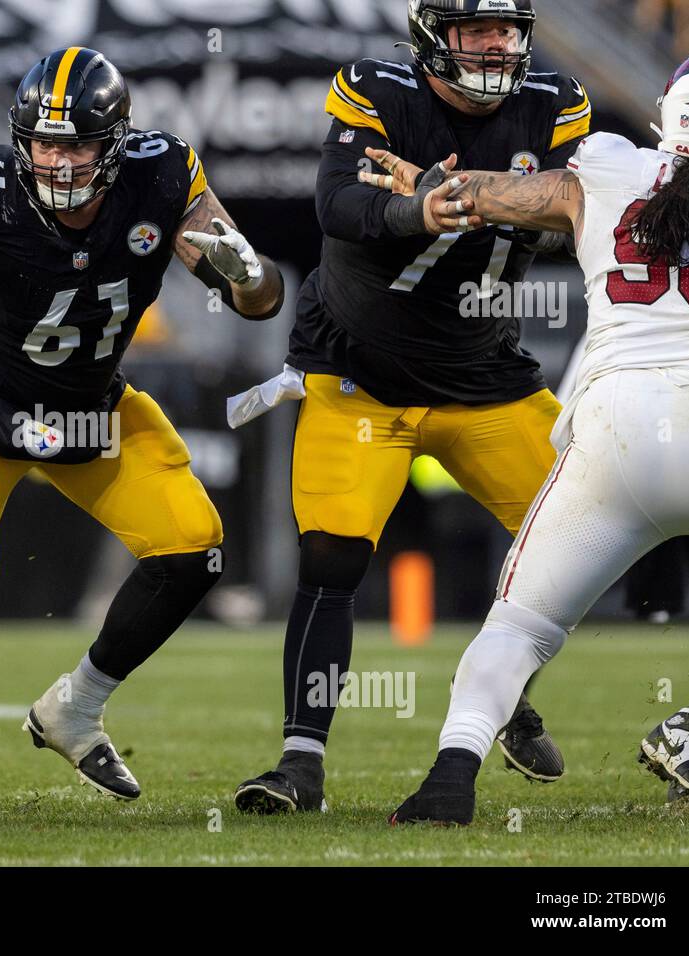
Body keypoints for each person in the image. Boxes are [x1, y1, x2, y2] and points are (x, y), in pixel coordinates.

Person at [0, 46, 285, 813]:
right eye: (45, 142)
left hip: (88, 404)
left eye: (78, 142)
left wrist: (243, 272)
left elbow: (261, 302)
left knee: (193, 548)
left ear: (115, 141)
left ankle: (74, 708)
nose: (59, 160)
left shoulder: (163, 177)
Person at [234, 0, 591, 816]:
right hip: (361, 374)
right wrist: (417, 209)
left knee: (582, 543)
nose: (498, 44)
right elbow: (336, 206)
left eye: (508, 28)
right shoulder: (379, 90)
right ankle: (300, 764)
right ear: (435, 34)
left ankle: (500, 698)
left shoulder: (555, 102)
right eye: (479, 30)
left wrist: (470, 193)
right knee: (331, 560)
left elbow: (575, 220)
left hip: (486, 378)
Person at [369, 48, 689, 823]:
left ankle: (449, 779)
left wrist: (426, 184)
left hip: (622, 433)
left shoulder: (607, 172)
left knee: (521, 626)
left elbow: (493, 196)